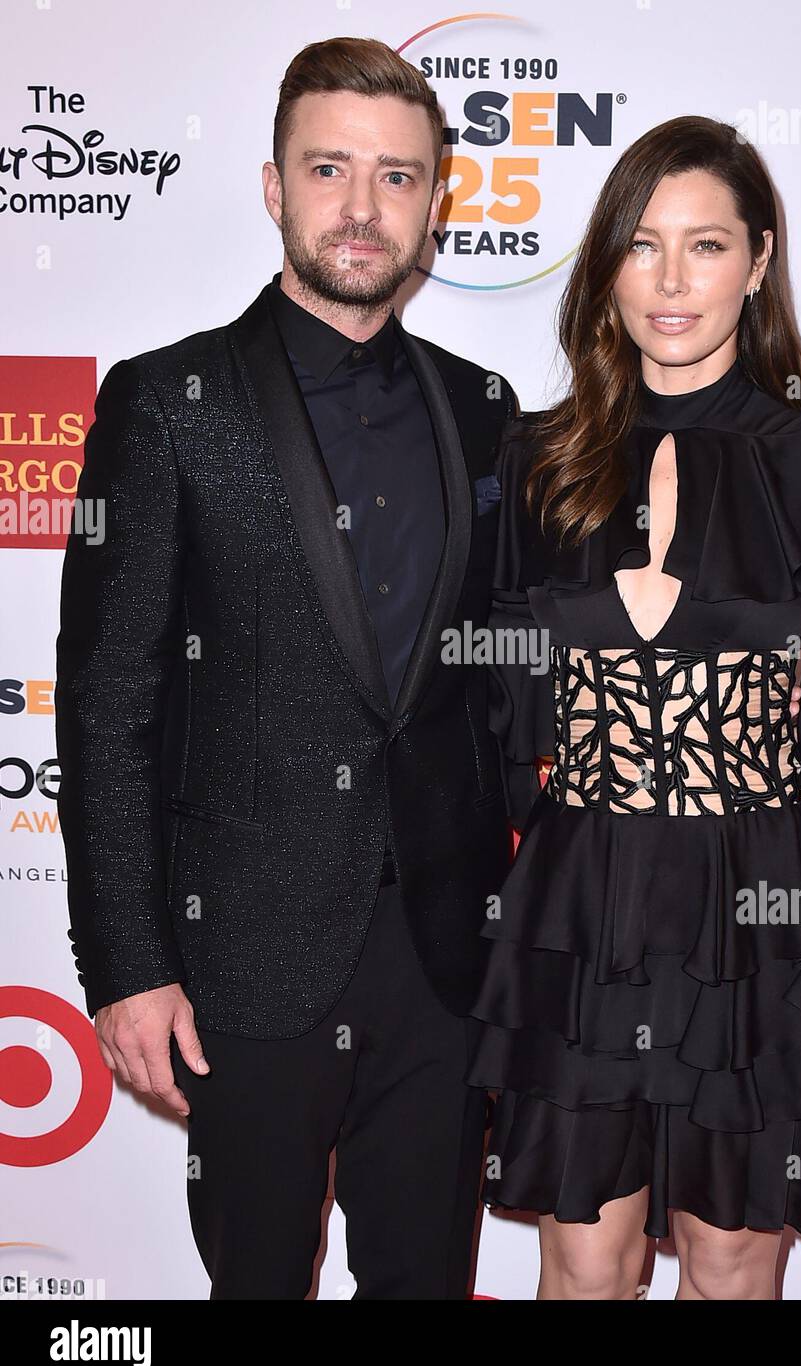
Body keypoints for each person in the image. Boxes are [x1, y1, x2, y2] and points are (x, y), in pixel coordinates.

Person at [54, 37, 518, 1300]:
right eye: (330, 169)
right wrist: (129, 965)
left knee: (423, 1282)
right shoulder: (168, 402)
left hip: (441, 958)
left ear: (438, 201)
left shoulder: (485, 407)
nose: (362, 209)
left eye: (397, 177)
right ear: (274, 187)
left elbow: (498, 686)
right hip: (242, 961)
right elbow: (108, 709)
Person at [466, 115, 801, 1300]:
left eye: (706, 246)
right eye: (641, 246)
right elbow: (481, 717)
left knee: (733, 1268)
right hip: (586, 906)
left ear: (761, 259)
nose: (671, 282)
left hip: (762, 908)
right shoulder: (533, 462)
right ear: (604, 267)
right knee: (584, 1266)